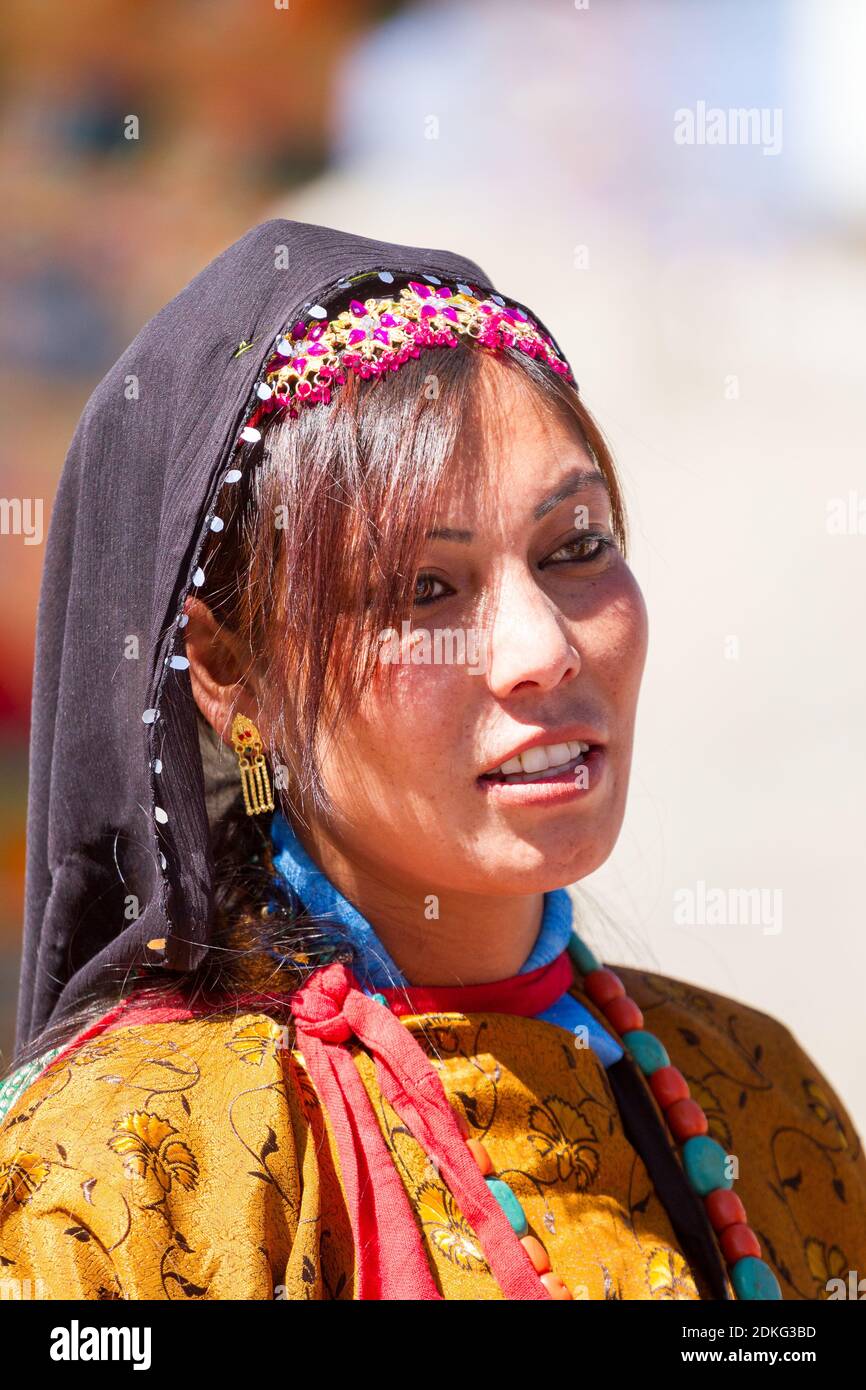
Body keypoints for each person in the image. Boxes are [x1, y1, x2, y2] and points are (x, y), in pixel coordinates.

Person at [0, 220, 863, 1301]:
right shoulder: (130, 1167)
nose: (543, 651)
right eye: (422, 590)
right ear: (234, 678)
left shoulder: (760, 1098)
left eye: (575, 548)